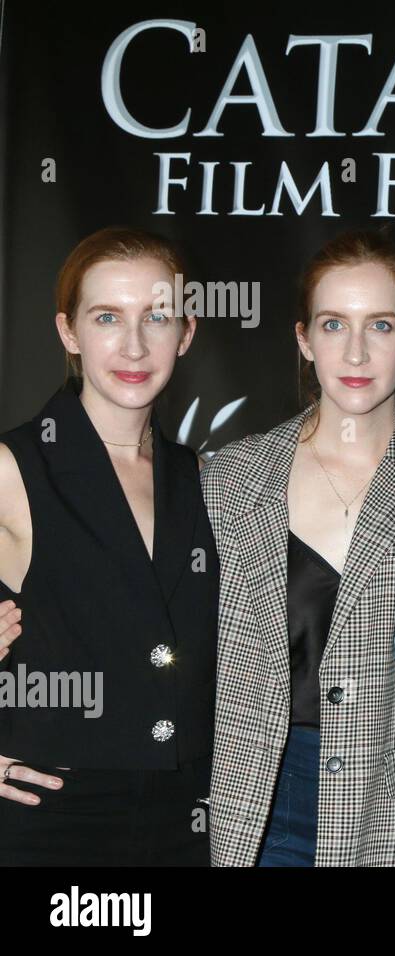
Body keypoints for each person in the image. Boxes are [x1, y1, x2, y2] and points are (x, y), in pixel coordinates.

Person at [201, 230, 395, 866]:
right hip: (248, 806)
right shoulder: (226, 480)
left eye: (382, 325)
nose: (357, 351)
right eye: (334, 324)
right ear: (303, 338)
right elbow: (147, 637)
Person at [0, 227, 216, 865]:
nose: (133, 344)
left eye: (156, 316)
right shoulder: (15, 466)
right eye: (106, 317)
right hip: (49, 820)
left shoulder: (199, 476)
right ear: (69, 333)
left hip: (188, 818)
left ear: (186, 331)